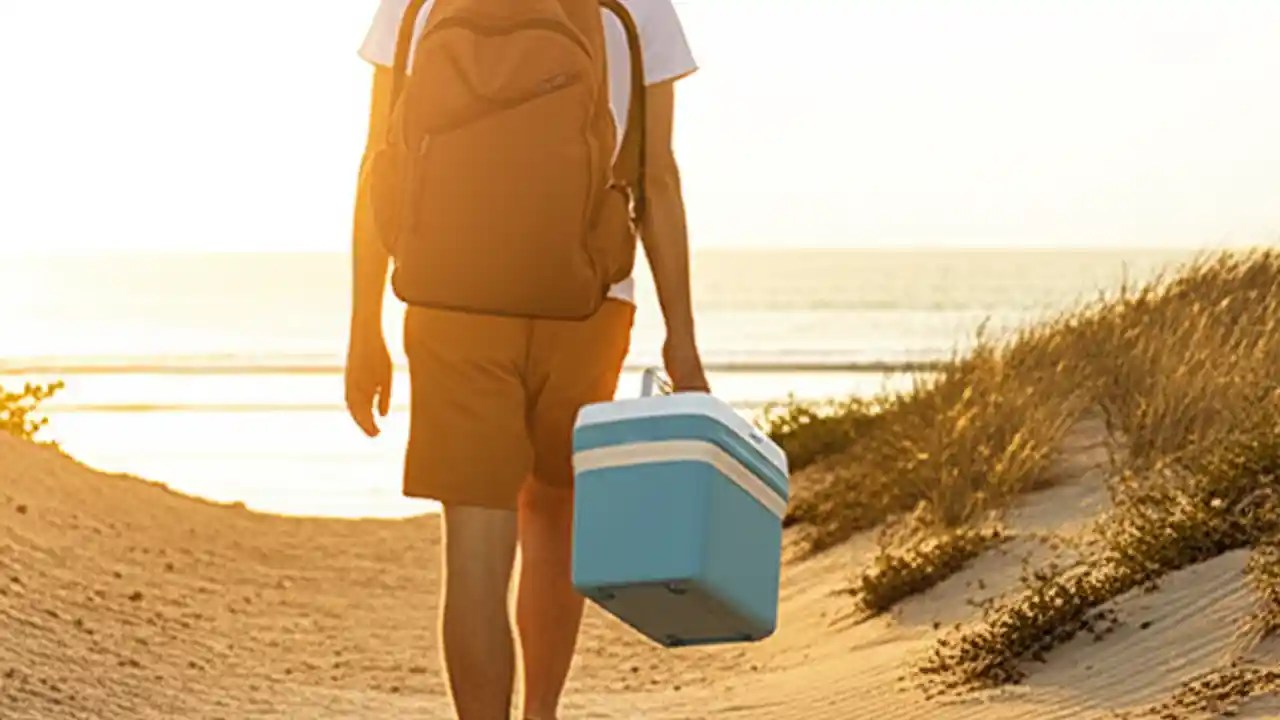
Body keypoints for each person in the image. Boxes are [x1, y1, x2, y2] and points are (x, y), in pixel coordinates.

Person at [344, 1, 708, 718]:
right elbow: (655, 176)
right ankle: (540, 714)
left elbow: (379, 165)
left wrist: (364, 327)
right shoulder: (636, 8)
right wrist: (682, 341)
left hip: (451, 302)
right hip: (589, 302)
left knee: (474, 551)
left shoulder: (416, 5)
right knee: (553, 516)